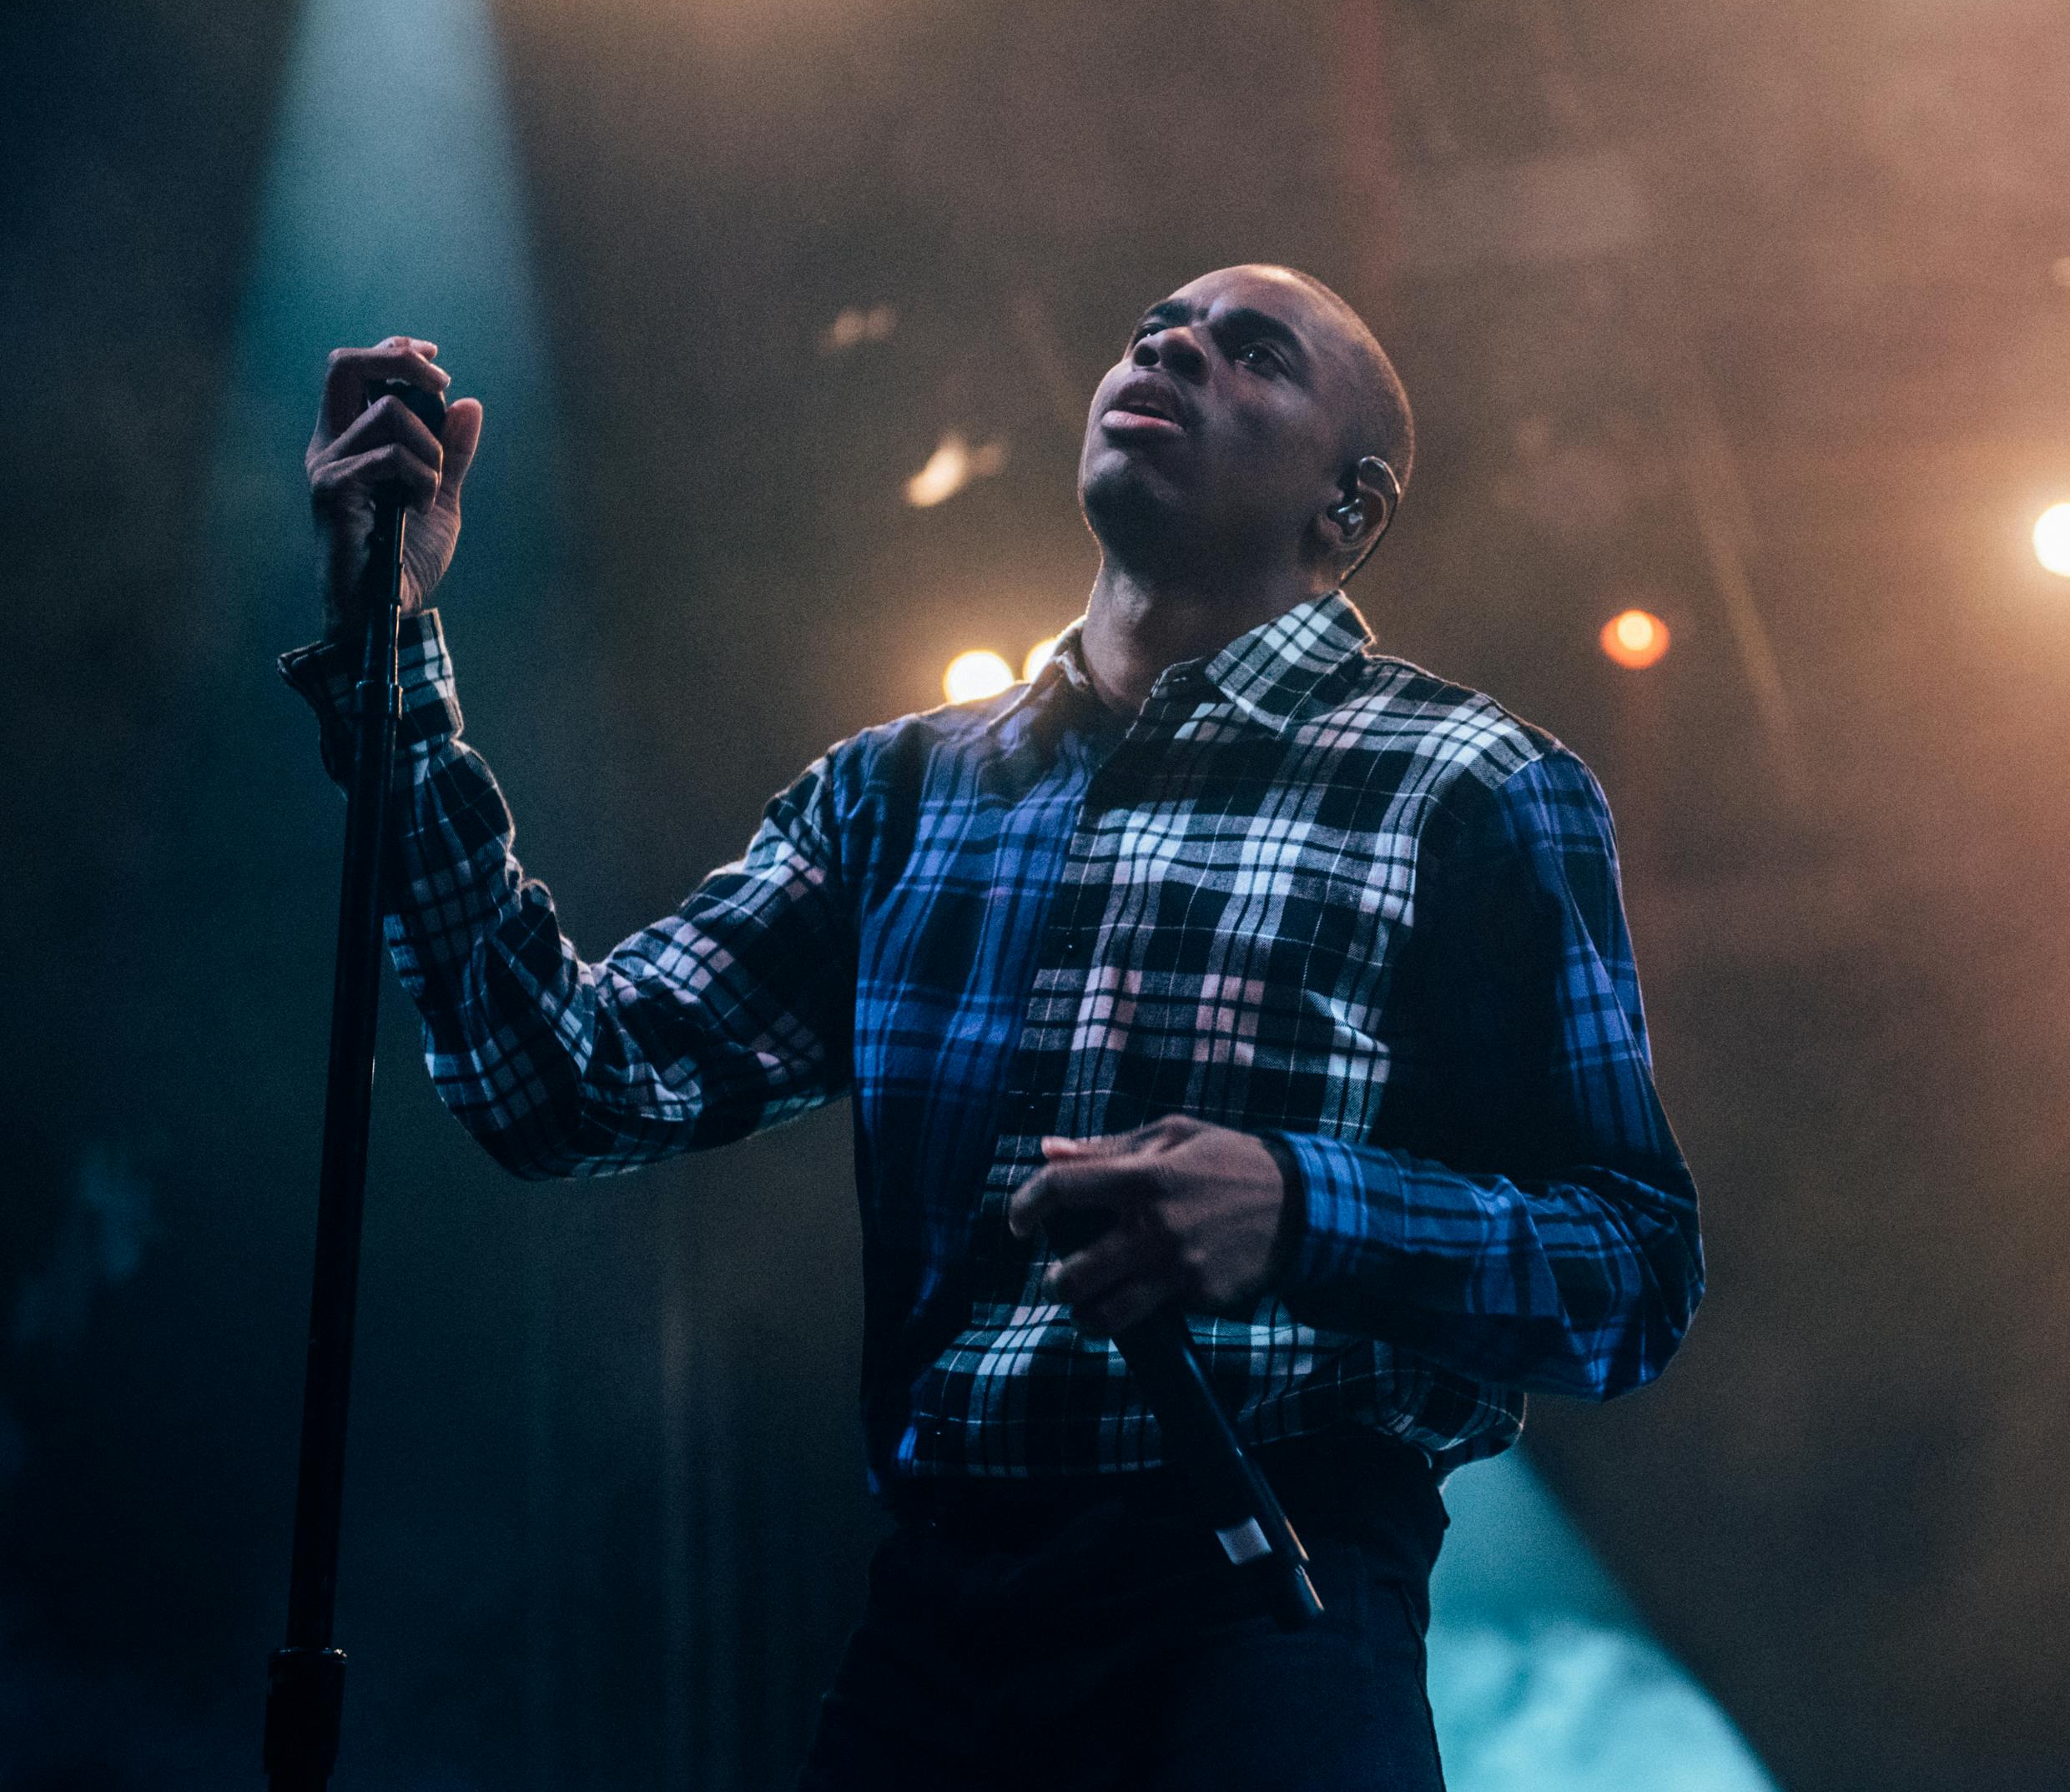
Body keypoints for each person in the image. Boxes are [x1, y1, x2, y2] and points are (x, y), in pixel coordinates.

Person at [282, 266, 1705, 1789]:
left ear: (1346, 510)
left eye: (1252, 354)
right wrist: (394, 659)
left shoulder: (1472, 782)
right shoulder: (899, 792)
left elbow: (1630, 1268)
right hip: (941, 1624)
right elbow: (560, 1084)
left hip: (1267, 1598)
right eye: (1156, 326)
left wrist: (1299, 1208)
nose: (1169, 346)